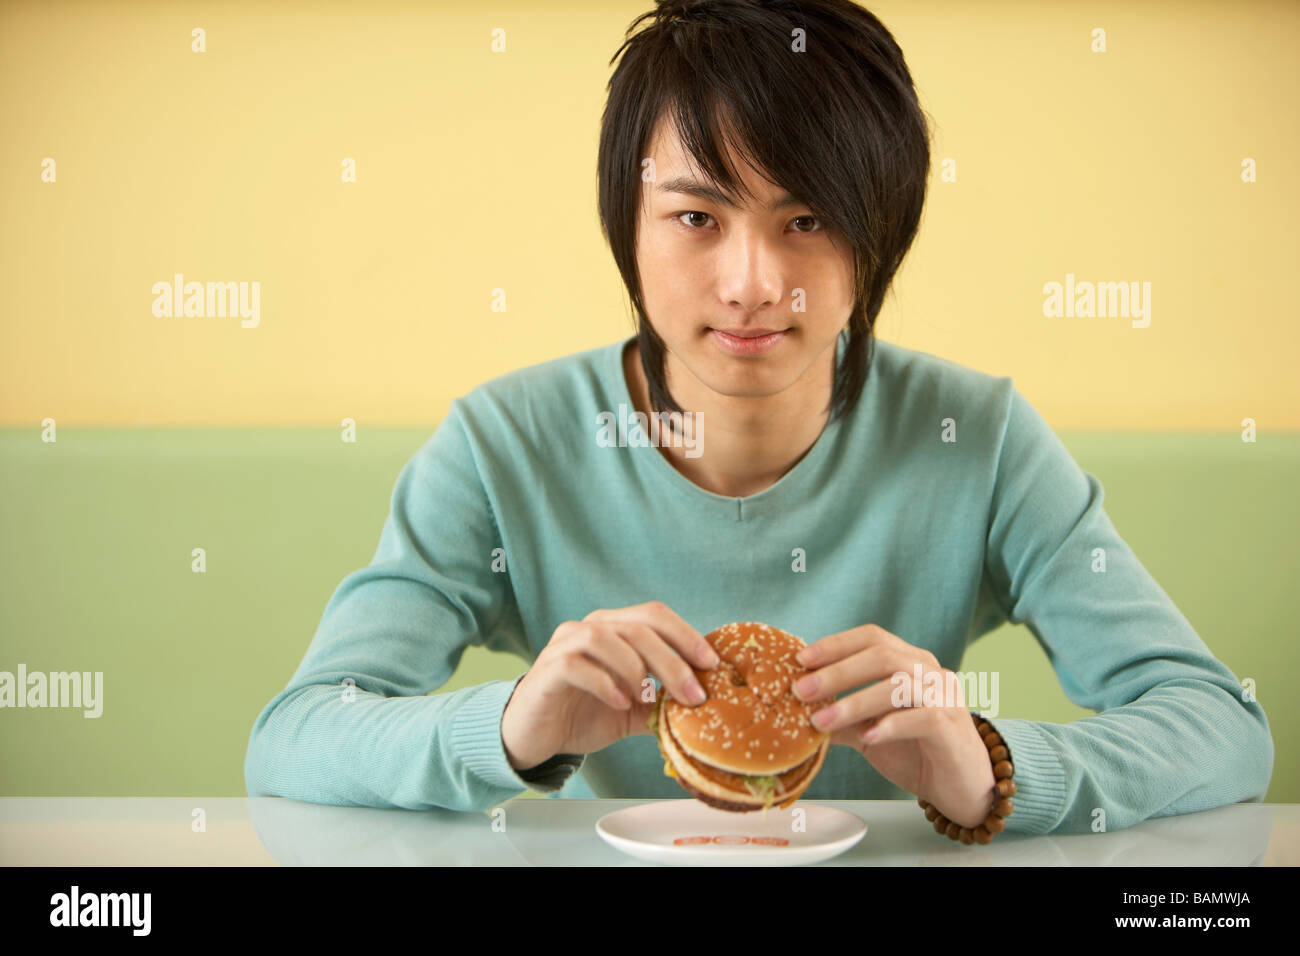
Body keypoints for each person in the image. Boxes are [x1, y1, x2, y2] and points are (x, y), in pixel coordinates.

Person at [243, 0, 1273, 837]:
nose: (751, 282)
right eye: (697, 216)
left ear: (879, 238)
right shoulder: (504, 445)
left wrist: (991, 765)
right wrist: (512, 728)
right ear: (627, 226)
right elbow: (295, 734)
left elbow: (1218, 726)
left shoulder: (979, 437)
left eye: (808, 220)